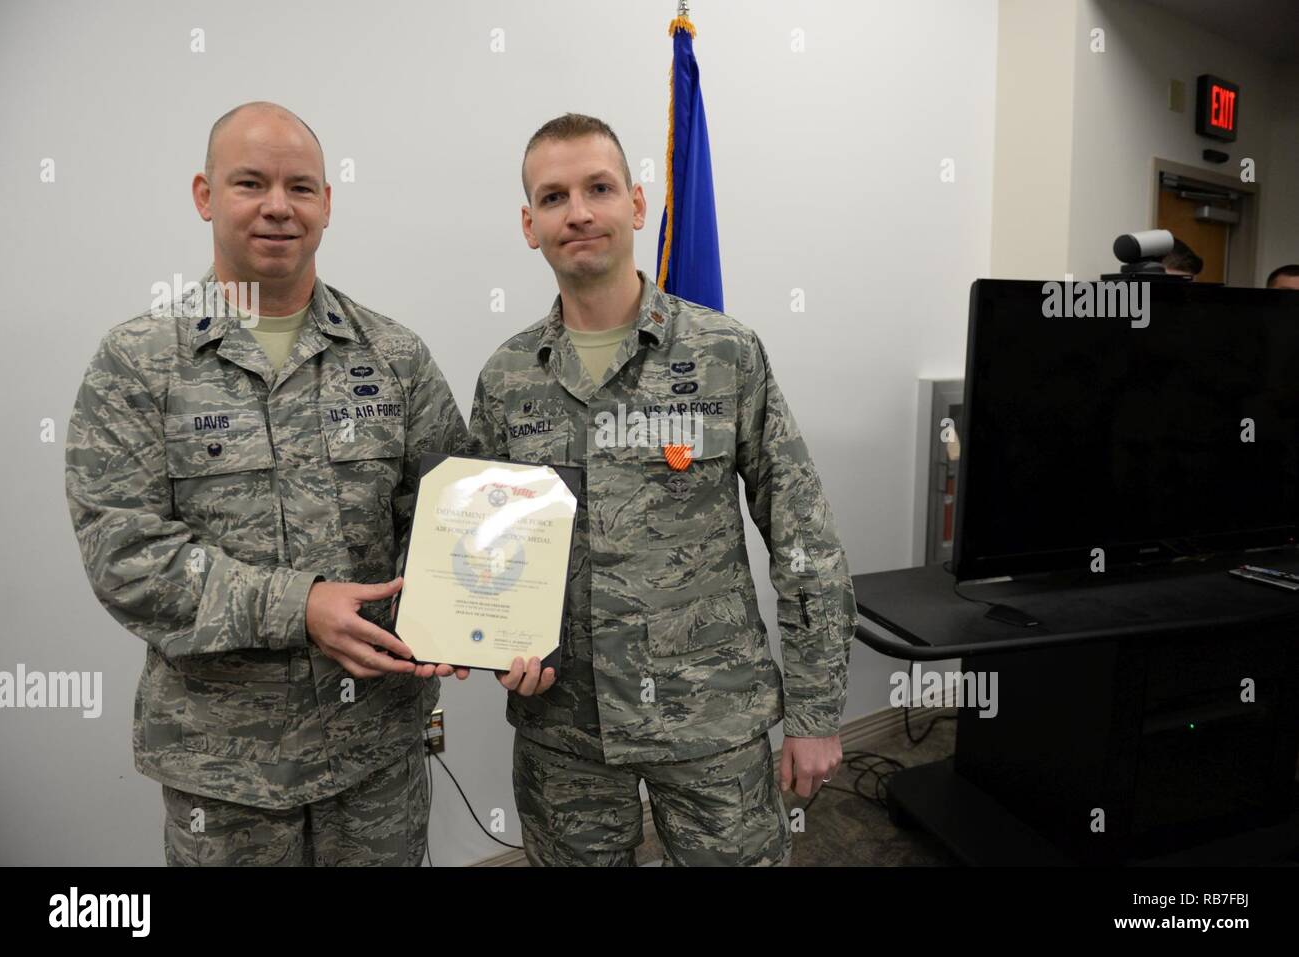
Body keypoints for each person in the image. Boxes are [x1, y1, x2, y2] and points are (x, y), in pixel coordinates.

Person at [65, 102, 471, 865]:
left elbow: (451, 514)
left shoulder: (394, 356)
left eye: (301, 187)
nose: (278, 206)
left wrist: (471, 616)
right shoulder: (137, 364)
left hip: (374, 759)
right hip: (226, 777)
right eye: (251, 182)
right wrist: (300, 605)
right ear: (204, 195)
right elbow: (126, 556)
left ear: (327, 203)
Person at [468, 113, 855, 866]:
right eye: (553, 197)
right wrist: (494, 640)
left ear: (637, 206)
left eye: (599, 188)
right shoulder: (508, 376)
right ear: (529, 224)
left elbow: (804, 539)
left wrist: (815, 712)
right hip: (565, 732)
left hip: (712, 721)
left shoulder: (726, 353)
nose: (577, 212)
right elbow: (487, 551)